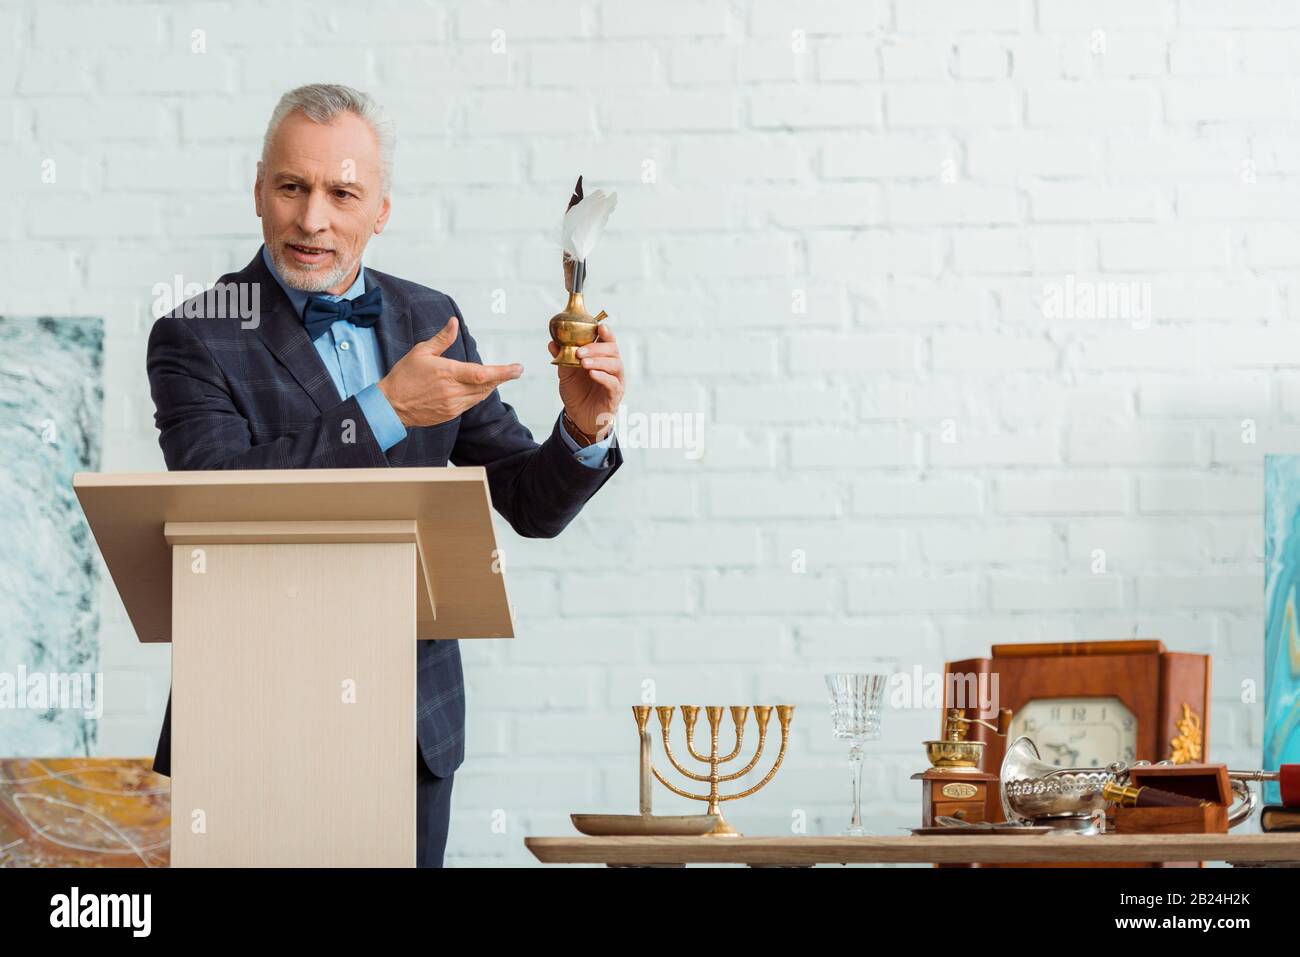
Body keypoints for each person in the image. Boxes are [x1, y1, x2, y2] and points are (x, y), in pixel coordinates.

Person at [145, 83, 625, 867]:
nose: (312, 219)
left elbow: (525, 502)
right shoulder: (195, 332)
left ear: (381, 210)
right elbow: (218, 493)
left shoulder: (429, 316)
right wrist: (383, 409)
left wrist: (582, 425)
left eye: (342, 193)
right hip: (249, 721)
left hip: (410, 727)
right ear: (258, 191)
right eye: (292, 187)